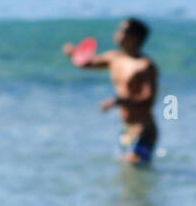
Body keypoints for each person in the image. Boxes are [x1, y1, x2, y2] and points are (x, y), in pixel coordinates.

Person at [65, 19, 159, 165]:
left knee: (134, 172)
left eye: (122, 31)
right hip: (125, 129)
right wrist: (73, 54)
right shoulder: (114, 58)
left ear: (135, 37)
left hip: (143, 130)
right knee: (128, 177)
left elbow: (149, 100)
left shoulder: (145, 66)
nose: (117, 33)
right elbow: (86, 64)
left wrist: (119, 101)